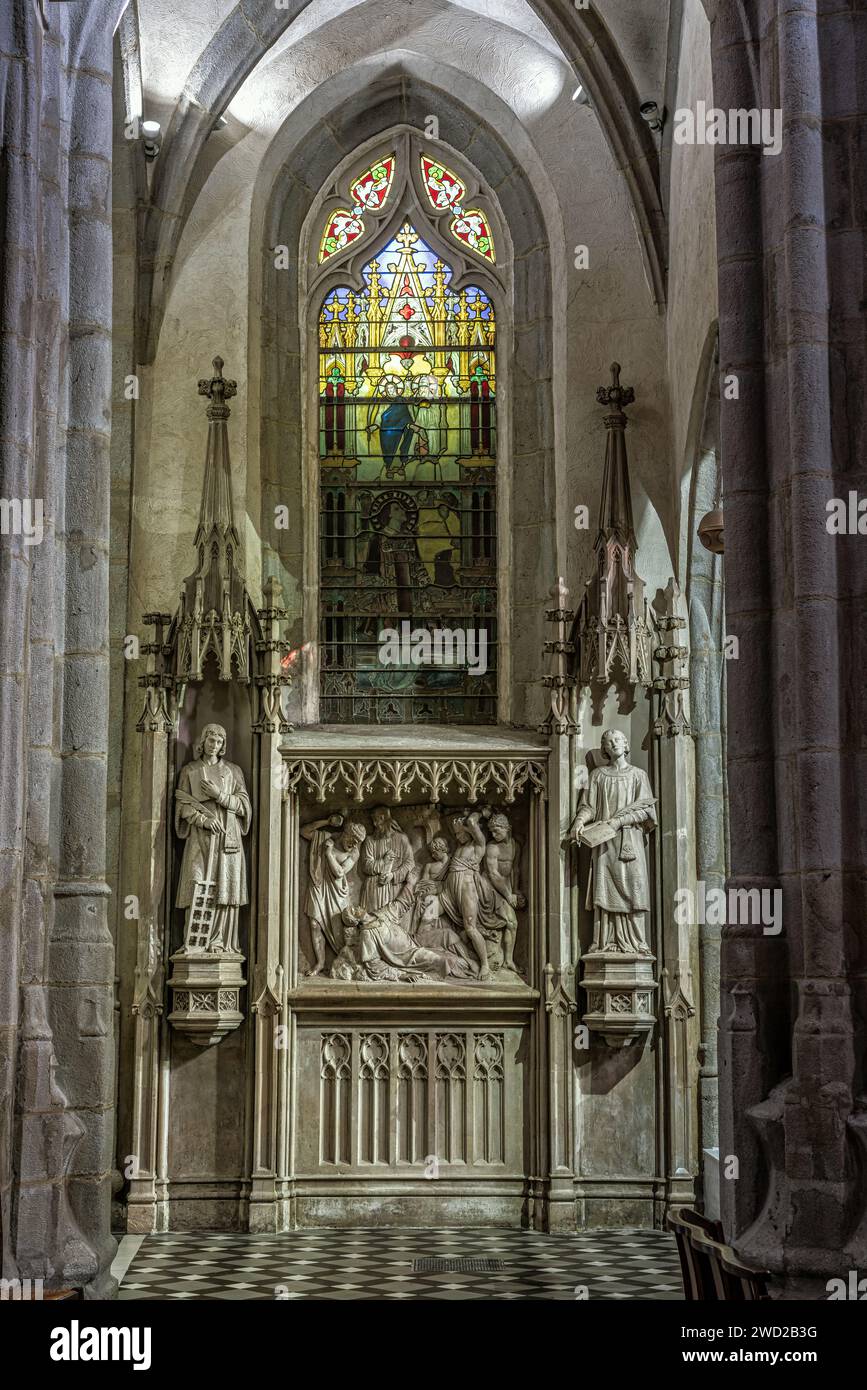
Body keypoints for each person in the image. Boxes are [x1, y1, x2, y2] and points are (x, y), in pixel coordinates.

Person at [568, 730, 657, 954]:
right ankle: (604, 942)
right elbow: (588, 806)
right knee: (605, 891)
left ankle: (637, 943)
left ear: (626, 744)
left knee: (635, 890)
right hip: (605, 843)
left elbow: (646, 810)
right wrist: (579, 821)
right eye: (608, 741)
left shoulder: (638, 775)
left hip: (631, 841)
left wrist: (619, 821)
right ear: (604, 749)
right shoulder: (598, 775)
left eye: (617, 739)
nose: (613, 743)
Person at [174, 723, 251, 954]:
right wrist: (203, 820)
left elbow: (245, 806)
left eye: (219, 742)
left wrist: (220, 796)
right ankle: (194, 943)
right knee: (197, 884)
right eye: (211, 741)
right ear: (203, 741)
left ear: (223, 746)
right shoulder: (189, 771)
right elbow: (182, 805)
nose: (214, 745)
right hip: (200, 836)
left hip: (227, 837)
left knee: (223, 887)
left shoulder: (233, 771)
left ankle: (219, 941)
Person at [301, 815, 366, 974]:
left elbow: (339, 872)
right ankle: (320, 963)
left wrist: (329, 853)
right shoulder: (325, 837)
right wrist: (327, 821)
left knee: (339, 933)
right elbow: (304, 831)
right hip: (318, 886)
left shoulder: (354, 852)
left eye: (357, 842)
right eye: (352, 839)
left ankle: (348, 961)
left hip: (337, 893)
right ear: (345, 833)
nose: (353, 844)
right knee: (315, 925)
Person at [360, 806, 417, 911]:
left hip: (394, 888)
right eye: (373, 821)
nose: (375, 824)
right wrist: (383, 862)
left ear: (384, 818)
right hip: (374, 888)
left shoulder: (401, 839)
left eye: (376, 820)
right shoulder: (370, 840)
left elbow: (410, 863)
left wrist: (393, 875)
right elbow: (366, 865)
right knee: (372, 923)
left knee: (392, 923)